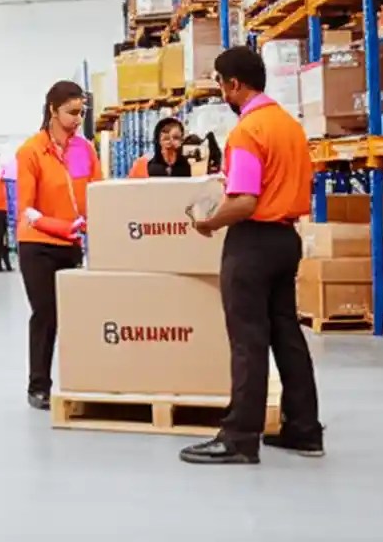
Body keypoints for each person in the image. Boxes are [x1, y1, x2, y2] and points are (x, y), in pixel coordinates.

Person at [181, 46, 323, 465]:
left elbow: (244, 200)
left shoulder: (247, 131)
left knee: (247, 339)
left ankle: (240, 436)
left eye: (221, 84)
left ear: (234, 84)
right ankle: (304, 429)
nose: (221, 92)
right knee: (286, 334)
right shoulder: (288, 126)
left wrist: (208, 222)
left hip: (254, 243)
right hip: (286, 241)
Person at [16, 80, 102, 410]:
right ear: (53, 110)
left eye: (82, 112)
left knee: (73, 313)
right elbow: (27, 210)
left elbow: (94, 191)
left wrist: (96, 223)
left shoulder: (84, 150)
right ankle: (38, 385)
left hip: (71, 242)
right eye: (72, 112)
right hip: (38, 243)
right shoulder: (31, 151)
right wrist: (63, 226)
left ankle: (78, 381)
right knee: (46, 313)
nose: (79, 119)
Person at [128, 117, 192, 178]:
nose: (170, 141)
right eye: (166, 138)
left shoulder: (185, 166)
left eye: (176, 138)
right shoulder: (142, 164)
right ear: (158, 140)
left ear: (181, 141)